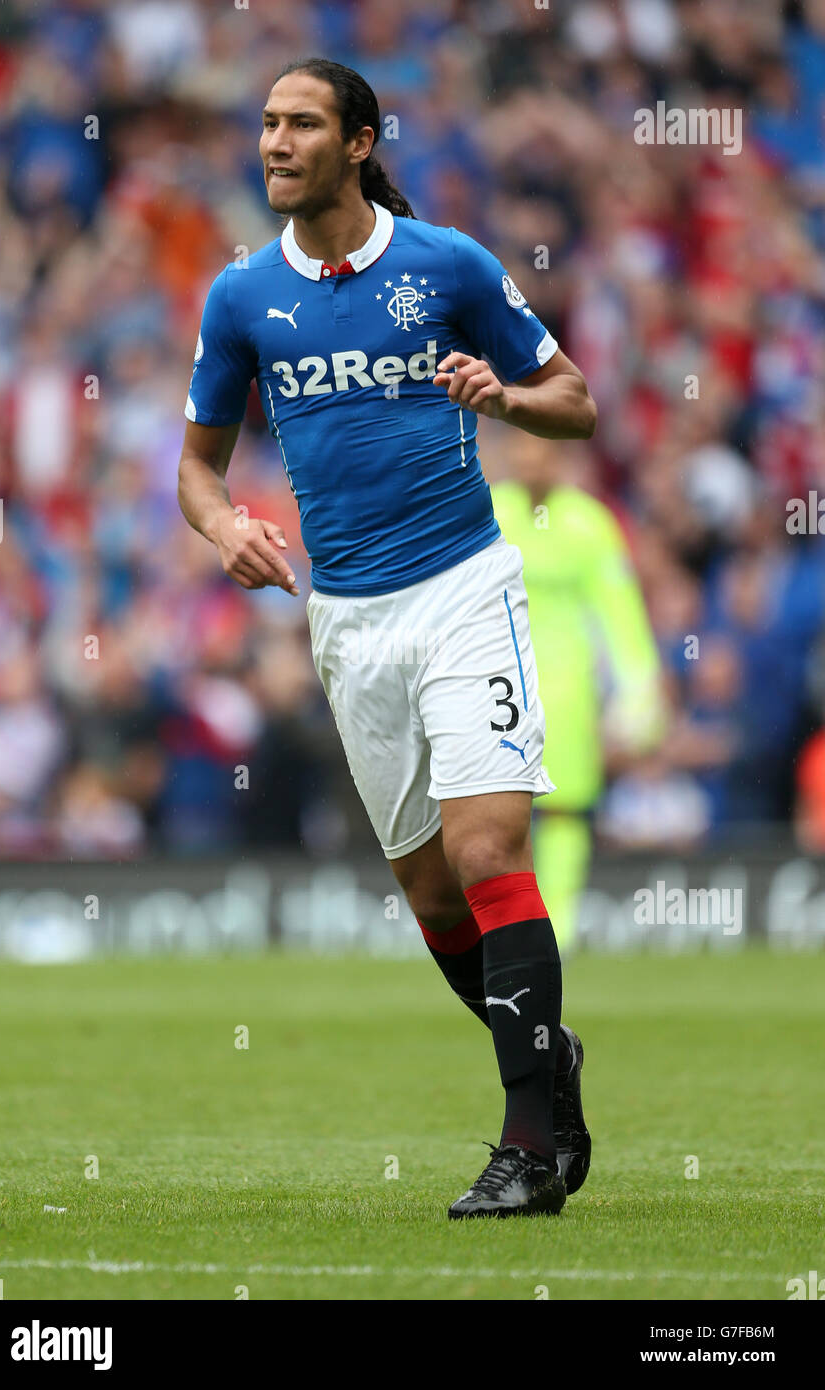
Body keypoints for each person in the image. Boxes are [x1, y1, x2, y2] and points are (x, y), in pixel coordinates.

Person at [177, 58, 596, 1219]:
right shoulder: (241, 296)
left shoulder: (447, 264)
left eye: (300, 123)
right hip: (348, 621)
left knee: (487, 853)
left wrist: (505, 397)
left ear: (359, 142)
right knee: (432, 894)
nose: (274, 142)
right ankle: (549, 1060)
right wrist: (224, 530)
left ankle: (525, 1146)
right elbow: (197, 469)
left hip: (464, 587)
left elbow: (579, 400)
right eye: (265, 123)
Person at [492, 435, 665, 952]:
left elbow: (621, 612)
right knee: (499, 811)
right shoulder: (488, 510)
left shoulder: (591, 524)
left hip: (568, 688)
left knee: (563, 809)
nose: (527, 459)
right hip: (494, 683)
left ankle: (556, 930)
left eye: (538, 449)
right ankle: (504, 927)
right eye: (519, 449)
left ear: (561, 458)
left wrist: (640, 687)